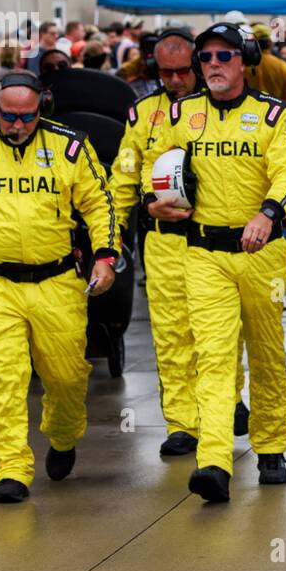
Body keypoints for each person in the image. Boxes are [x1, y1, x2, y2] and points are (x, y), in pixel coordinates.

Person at [0, 71, 119, 503]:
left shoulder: (71, 147)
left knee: (66, 378)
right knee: (2, 378)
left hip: (58, 281)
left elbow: (100, 205)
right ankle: (10, 468)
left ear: (41, 109)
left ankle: (64, 436)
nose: (16, 125)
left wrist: (105, 257)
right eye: (7, 116)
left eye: (26, 117)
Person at [141, 23, 286, 503]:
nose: (213, 64)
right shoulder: (182, 113)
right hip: (202, 251)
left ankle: (271, 447)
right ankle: (213, 461)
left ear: (244, 60)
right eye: (206, 56)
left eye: (224, 56)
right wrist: (155, 201)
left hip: (261, 251)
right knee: (211, 355)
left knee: (265, 351)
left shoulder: (271, 114)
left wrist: (268, 213)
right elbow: (157, 165)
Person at [108, 30, 208, 458]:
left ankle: (222, 405)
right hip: (164, 243)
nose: (176, 79)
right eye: (167, 72)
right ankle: (184, 423)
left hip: (217, 243)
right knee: (170, 336)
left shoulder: (225, 107)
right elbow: (123, 177)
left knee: (216, 334)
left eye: (184, 70)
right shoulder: (142, 114)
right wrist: (110, 244)